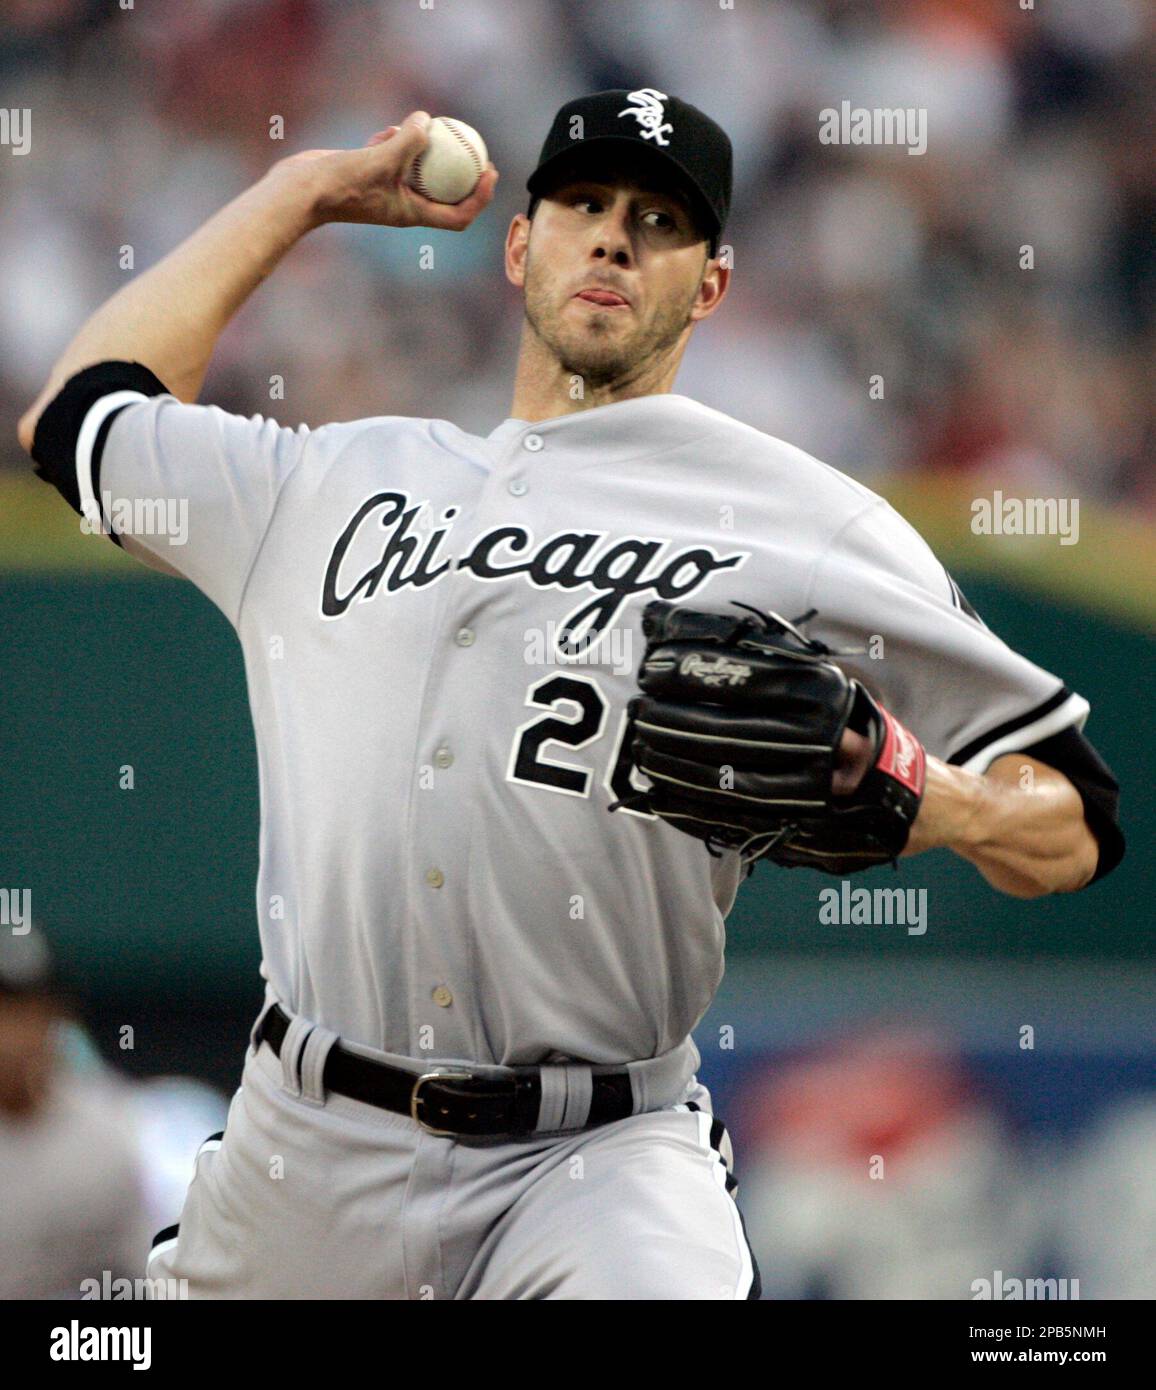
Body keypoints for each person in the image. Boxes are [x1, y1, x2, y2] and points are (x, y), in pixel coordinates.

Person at [17, 89, 1123, 1300]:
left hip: (593, 1156)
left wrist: (939, 796)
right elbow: (80, 419)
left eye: (657, 221)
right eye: (584, 204)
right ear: (516, 243)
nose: (611, 237)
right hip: (305, 1142)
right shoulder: (333, 481)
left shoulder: (807, 521)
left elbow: (1071, 818)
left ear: (707, 284)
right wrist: (307, 194)